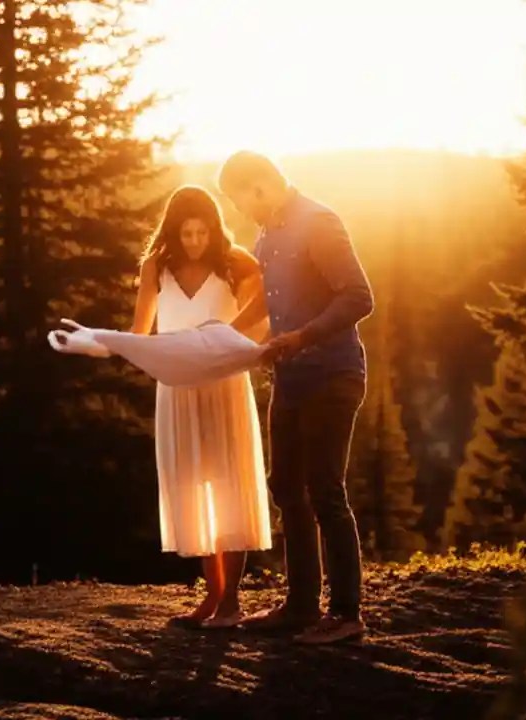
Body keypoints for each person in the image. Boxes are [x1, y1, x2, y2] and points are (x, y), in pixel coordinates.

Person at [220, 150, 374, 645]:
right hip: (290, 379)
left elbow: (358, 296)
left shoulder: (319, 223)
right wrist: (223, 333)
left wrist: (302, 337)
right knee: (285, 485)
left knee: (326, 490)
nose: (243, 212)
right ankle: (302, 606)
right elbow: (269, 299)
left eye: (241, 200)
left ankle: (347, 615)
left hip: (333, 376)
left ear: (260, 186)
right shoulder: (266, 236)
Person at [131, 185, 272, 628]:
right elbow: (140, 330)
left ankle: (231, 601)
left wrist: (240, 350)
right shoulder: (156, 267)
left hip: (225, 384)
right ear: (173, 232)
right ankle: (211, 597)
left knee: (231, 484)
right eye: (186, 233)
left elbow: (266, 313)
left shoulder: (237, 263)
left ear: (214, 229)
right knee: (195, 487)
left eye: (202, 232)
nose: (194, 241)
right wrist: (111, 345)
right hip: (178, 388)